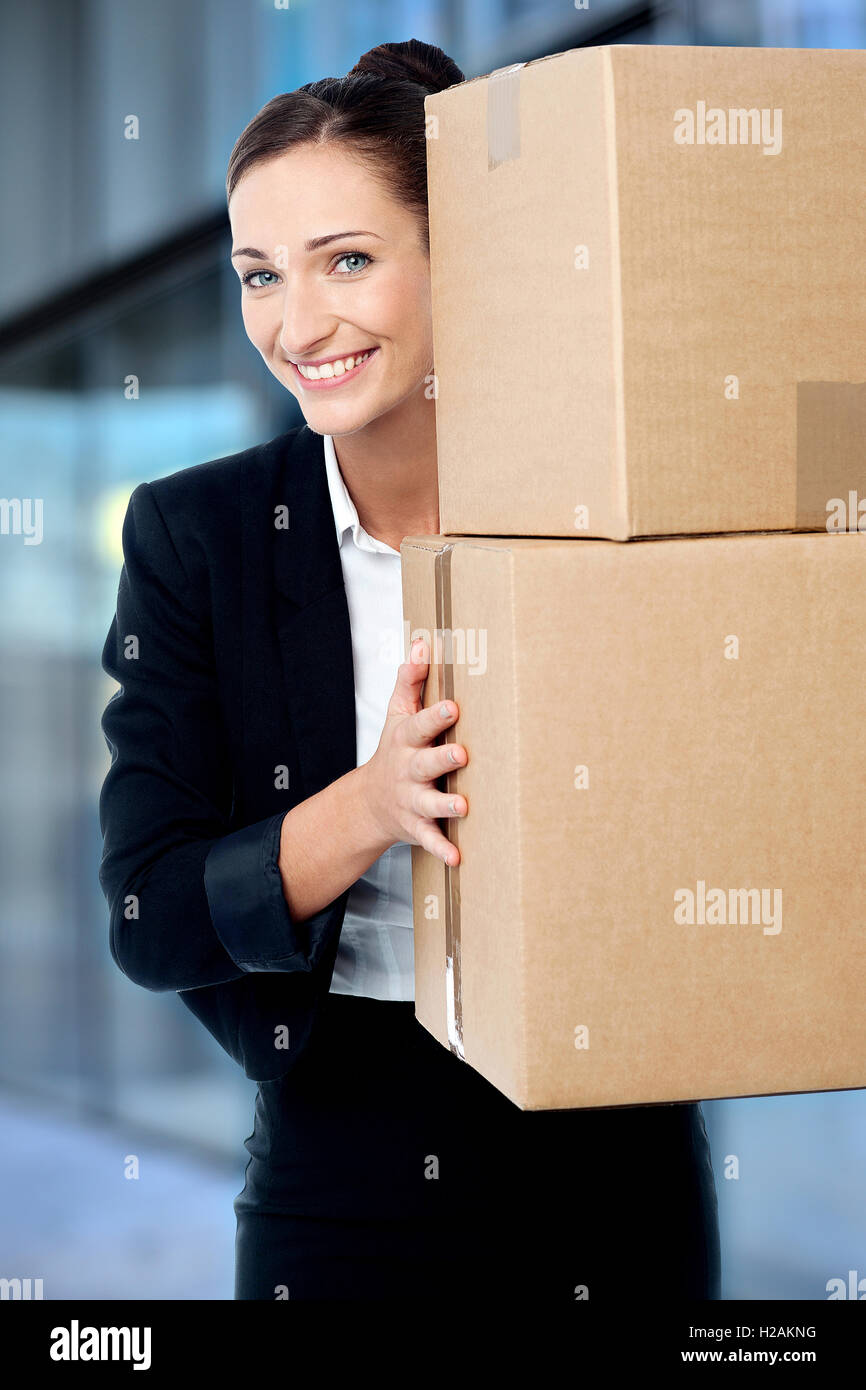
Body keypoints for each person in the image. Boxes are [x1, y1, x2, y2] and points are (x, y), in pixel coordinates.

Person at [98, 37, 721, 1304]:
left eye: (348, 261)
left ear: (461, 257)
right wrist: (369, 805)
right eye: (258, 275)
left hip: (609, 1148)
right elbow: (148, 916)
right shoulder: (198, 536)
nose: (297, 321)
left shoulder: (603, 508)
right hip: (340, 1157)